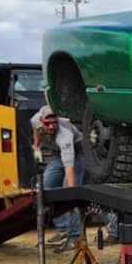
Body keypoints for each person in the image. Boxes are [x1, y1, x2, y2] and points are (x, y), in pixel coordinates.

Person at [33, 105, 96, 249]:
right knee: (46, 187)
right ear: (41, 120)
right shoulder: (35, 120)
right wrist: (36, 147)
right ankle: (62, 229)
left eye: (54, 123)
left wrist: (72, 193)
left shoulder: (64, 135)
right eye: (47, 124)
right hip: (57, 156)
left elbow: (69, 167)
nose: (51, 126)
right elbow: (35, 129)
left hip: (77, 156)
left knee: (67, 194)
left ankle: (74, 238)